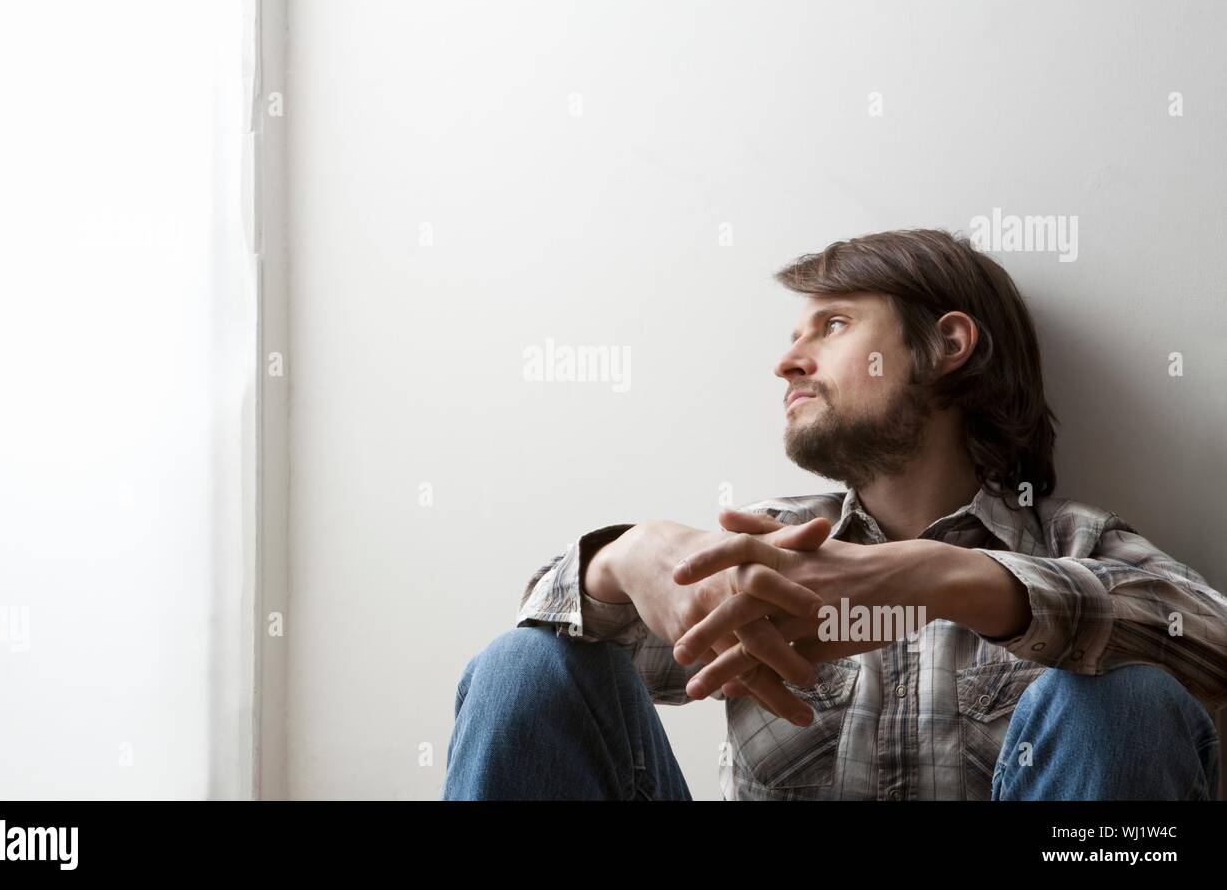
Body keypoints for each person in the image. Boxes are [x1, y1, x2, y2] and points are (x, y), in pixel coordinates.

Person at [443, 228, 1226, 800]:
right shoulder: (764, 548)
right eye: (793, 336)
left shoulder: (1078, 544)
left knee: (1125, 697)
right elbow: (547, 662)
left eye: (835, 324)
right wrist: (625, 556)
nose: (788, 360)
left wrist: (950, 581)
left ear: (946, 344)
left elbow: (1214, 652)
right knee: (526, 665)